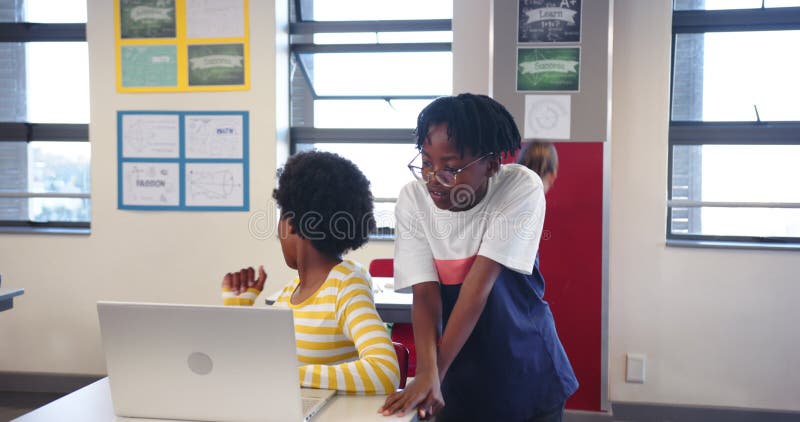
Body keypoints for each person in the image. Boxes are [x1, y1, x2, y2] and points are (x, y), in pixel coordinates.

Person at [378, 94, 577, 421]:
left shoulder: (519, 187)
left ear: (492, 164)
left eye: (451, 168)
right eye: (426, 162)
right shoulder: (413, 199)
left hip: (525, 368)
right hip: (461, 372)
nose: (433, 178)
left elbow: (477, 288)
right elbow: (425, 295)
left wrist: (433, 375)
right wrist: (428, 373)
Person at [221, 150, 400, 395]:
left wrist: (292, 375)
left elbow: (384, 371)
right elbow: (252, 367)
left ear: (292, 221)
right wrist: (238, 307)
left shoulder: (346, 285)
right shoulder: (287, 295)